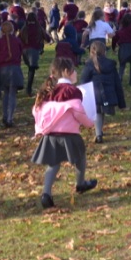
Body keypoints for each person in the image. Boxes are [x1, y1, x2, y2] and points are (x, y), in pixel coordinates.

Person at [30, 57, 97, 210]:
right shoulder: (73, 91)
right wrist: (89, 123)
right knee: (80, 157)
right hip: (70, 134)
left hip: (51, 135)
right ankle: (80, 183)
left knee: (53, 164)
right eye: (74, 70)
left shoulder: (48, 91)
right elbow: (78, 112)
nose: (76, 73)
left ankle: (46, 194)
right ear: (67, 72)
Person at [79, 40, 125, 143]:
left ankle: (98, 133)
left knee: (98, 112)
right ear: (104, 51)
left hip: (95, 93)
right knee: (101, 112)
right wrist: (121, 101)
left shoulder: (89, 64)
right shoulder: (111, 64)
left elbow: (83, 80)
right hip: (108, 92)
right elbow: (117, 82)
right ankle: (99, 131)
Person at [21, 11, 51, 96]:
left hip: (24, 51)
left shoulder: (24, 28)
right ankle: (29, 89)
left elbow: (19, 38)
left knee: (29, 68)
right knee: (31, 70)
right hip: (33, 50)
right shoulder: (38, 28)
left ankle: (26, 88)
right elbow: (47, 38)